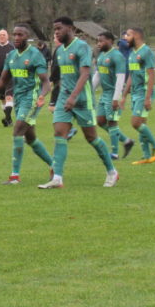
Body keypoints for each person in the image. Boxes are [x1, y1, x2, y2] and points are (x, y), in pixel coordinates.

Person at [37, 17, 118, 189]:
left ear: (70, 28)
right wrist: (51, 95)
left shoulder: (81, 47)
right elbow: (59, 77)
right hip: (64, 98)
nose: (56, 32)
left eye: (59, 28)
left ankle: (112, 171)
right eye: (54, 29)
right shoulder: (59, 51)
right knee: (60, 133)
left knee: (91, 137)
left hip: (82, 100)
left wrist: (73, 97)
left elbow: (85, 74)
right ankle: (57, 177)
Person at [0, 24, 55, 184]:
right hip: (18, 100)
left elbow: (46, 81)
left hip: (31, 99)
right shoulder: (11, 56)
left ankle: (14, 176)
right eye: (15, 35)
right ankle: (54, 165)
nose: (17, 38)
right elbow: (3, 81)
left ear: (27, 37)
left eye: (21, 35)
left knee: (17, 130)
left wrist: (42, 95)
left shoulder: (35, 55)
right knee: (30, 138)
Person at [123, 26, 155, 165]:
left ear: (136, 36)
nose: (125, 38)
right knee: (142, 124)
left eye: (127, 35)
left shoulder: (146, 52)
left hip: (144, 92)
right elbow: (131, 75)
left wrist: (147, 98)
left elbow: (151, 75)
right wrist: (124, 95)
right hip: (135, 93)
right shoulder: (132, 53)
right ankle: (146, 156)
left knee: (135, 123)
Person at [93, 30, 134, 159]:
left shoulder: (117, 56)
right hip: (105, 93)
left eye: (101, 41)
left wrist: (116, 98)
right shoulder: (101, 56)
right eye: (97, 41)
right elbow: (98, 75)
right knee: (100, 121)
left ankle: (114, 153)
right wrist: (90, 90)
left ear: (110, 41)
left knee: (112, 122)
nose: (98, 44)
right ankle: (127, 141)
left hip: (113, 93)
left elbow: (121, 78)